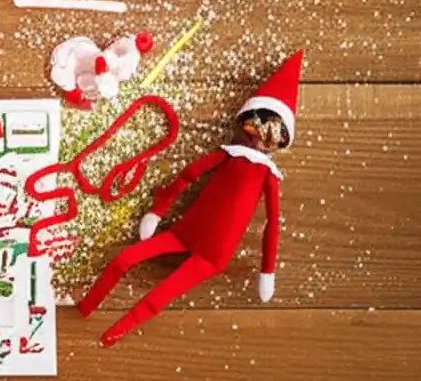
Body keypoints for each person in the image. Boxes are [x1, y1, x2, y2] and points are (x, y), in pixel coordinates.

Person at [78, 51, 304, 346]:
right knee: (123, 258)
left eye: (270, 133)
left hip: (214, 255)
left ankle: (112, 335)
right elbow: (187, 176)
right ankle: (85, 307)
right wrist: (157, 212)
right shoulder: (226, 156)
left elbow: (272, 224)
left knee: (160, 296)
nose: (259, 136)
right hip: (183, 232)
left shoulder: (268, 176)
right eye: (255, 126)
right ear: (246, 123)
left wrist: (267, 271)